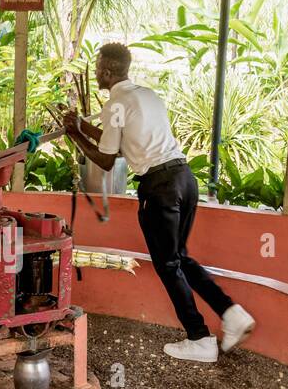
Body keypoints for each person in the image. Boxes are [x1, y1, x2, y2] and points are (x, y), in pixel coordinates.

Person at [61, 42, 255, 363]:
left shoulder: (116, 104)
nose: (95, 72)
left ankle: (199, 338)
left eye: (97, 68)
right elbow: (120, 142)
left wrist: (73, 134)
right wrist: (81, 127)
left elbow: (108, 160)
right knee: (178, 257)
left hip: (159, 188)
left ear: (107, 72)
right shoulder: (145, 95)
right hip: (183, 178)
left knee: (168, 264)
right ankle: (231, 313)